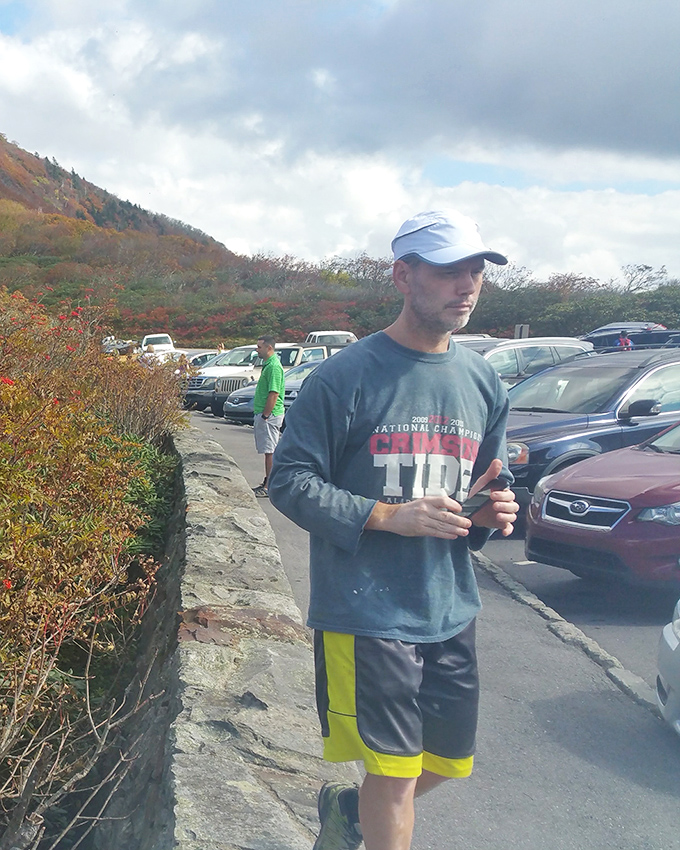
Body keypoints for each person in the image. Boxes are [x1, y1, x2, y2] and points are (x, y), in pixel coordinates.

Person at [268, 209, 519, 850]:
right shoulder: (343, 377)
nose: (466, 286)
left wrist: (484, 516)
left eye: (476, 271)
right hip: (365, 608)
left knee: (447, 761)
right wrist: (386, 516)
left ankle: (347, 812)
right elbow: (290, 483)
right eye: (447, 271)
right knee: (397, 773)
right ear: (403, 276)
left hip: (449, 603)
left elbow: (479, 491)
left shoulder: (483, 380)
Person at [251, 334, 285, 498]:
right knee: (267, 450)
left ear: (269, 348)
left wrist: (265, 414)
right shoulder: (268, 365)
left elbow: (274, 393)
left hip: (270, 416)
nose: (257, 350)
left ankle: (269, 486)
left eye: (259, 347)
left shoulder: (273, 367)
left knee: (270, 451)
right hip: (266, 414)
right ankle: (267, 481)